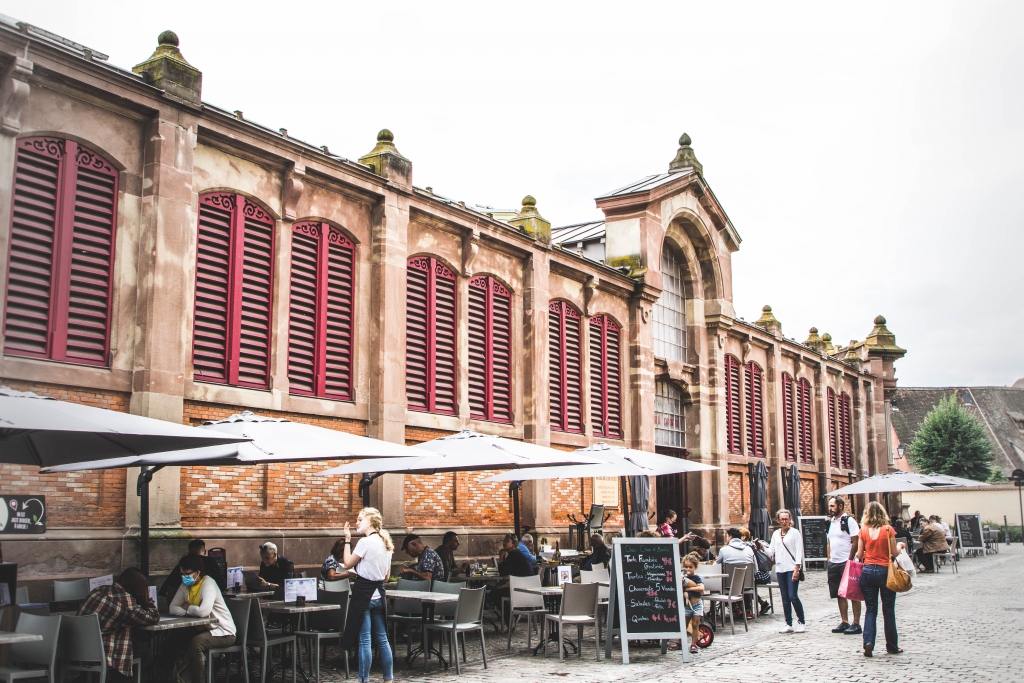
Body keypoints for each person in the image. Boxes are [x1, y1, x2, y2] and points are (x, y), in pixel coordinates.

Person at [338, 507, 394, 683]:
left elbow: (347, 563)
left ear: (370, 521)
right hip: (379, 595)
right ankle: (388, 679)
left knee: (364, 640)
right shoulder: (386, 542)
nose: (357, 522)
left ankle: (364, 680)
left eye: (360, 519)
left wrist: (347, 540)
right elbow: (386, 577)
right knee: (382, 639)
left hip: (364, 595)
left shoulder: (365, 542)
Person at [78, 567, 160, 683]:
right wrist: (146, 599)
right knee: (145, 653)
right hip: (98, 652)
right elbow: (153, 617)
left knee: (123, 634)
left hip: (76, 649)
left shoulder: (99, 590)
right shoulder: (125, 602)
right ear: (137, 588)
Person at [168, 554, 237, 683]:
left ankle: (199, 680)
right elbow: (172, 608)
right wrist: (191, 610)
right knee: (173, 641)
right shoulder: (185, 586)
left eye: (187, 573)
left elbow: (204, 612)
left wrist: (187, 607)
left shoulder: (208, 583)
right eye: (182, 574)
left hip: (222, 631)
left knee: (195, 645)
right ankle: (177, 678)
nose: (184, 577)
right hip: (202, 628)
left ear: (197, 572)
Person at [856, 501, 901, 657]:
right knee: (888, 610)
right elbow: (894, 553)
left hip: (868, 571)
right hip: (885, 571)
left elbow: (859, 554)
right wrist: (901, 546)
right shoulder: (888, 530)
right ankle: (892, 646)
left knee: (871, 609)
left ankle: (868, 642)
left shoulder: (863, 531)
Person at [826, 495, 862, 635]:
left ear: (840, 506)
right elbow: (829, 542)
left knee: (853, 593)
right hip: (834, 562)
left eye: (832, 506)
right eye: (829, 506)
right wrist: (829, 559)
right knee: (839, 593)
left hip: (846, 561)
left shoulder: (849, 521)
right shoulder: (831, 522)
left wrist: (850, 560)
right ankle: (844, 621)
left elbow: (855, 541)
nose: (830, 508)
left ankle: (856, 623)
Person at [764, 509, 805, 633]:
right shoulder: (776, 534)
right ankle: (788, 623)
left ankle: (801, 621)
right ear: (778, 520)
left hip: (792, 568)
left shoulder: (795, 533)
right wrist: (761, 548)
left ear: (790, 520)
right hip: (780, 568)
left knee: (793, 596)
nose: (784, 521)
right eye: (782, 519)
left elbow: (799, 552)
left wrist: (797, 569)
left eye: (786, 519)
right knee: (785, 597)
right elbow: (771, 551)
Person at [716, 527, 758, 619]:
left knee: (721, 583)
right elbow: (755, 569)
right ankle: (747, 610)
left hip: (728, 585)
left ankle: (735, 608)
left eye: (727, 536)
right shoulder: (749, 550)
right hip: (747, 584)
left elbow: (716, 567)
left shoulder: (723, 550)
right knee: (743, 581)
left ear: (730, 537)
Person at [491, 533, 534, 618]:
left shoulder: (514, 555)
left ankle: (510, 618)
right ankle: (511, 616)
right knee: (495, 591)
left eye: (507, 541)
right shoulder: (513, 554)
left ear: (514, 544)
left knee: (495, 594)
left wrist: (501, 558)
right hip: (523, 585)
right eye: (504, 541)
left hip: (522, 588)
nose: (504, 543)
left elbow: (503, 572)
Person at [681, 554, 705, 654]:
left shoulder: (697, 578)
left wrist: (689, 589)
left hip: (697, 605)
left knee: (695, 624)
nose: (688, 569)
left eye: (690, 567)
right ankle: (681, 642)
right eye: (686, 567)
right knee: (684, 625)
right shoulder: (684, 578)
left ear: (695, 567)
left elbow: (701, 588)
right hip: (687, 606)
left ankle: (694, 644)